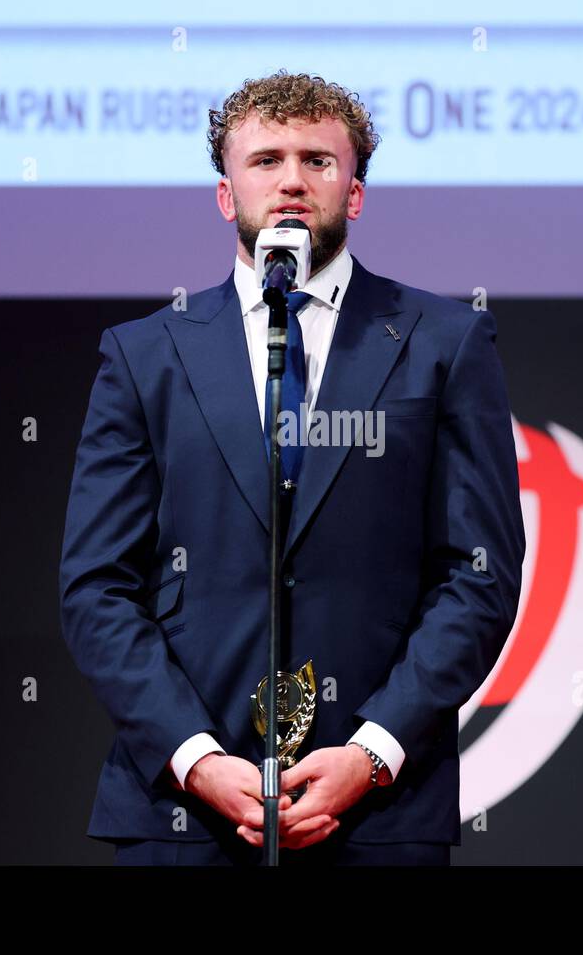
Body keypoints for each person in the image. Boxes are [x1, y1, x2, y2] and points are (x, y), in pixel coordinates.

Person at [58, 70, 524, 866]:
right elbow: (96, 586)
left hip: (378, 814)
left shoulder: (445, 342)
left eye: (317, 160)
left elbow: (479, 575)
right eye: (266, 159)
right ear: (224, 193)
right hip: (182, 814)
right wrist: (198, 759)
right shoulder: (143, 356)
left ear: (357, 191)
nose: (291, 182)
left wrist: (372, 753)